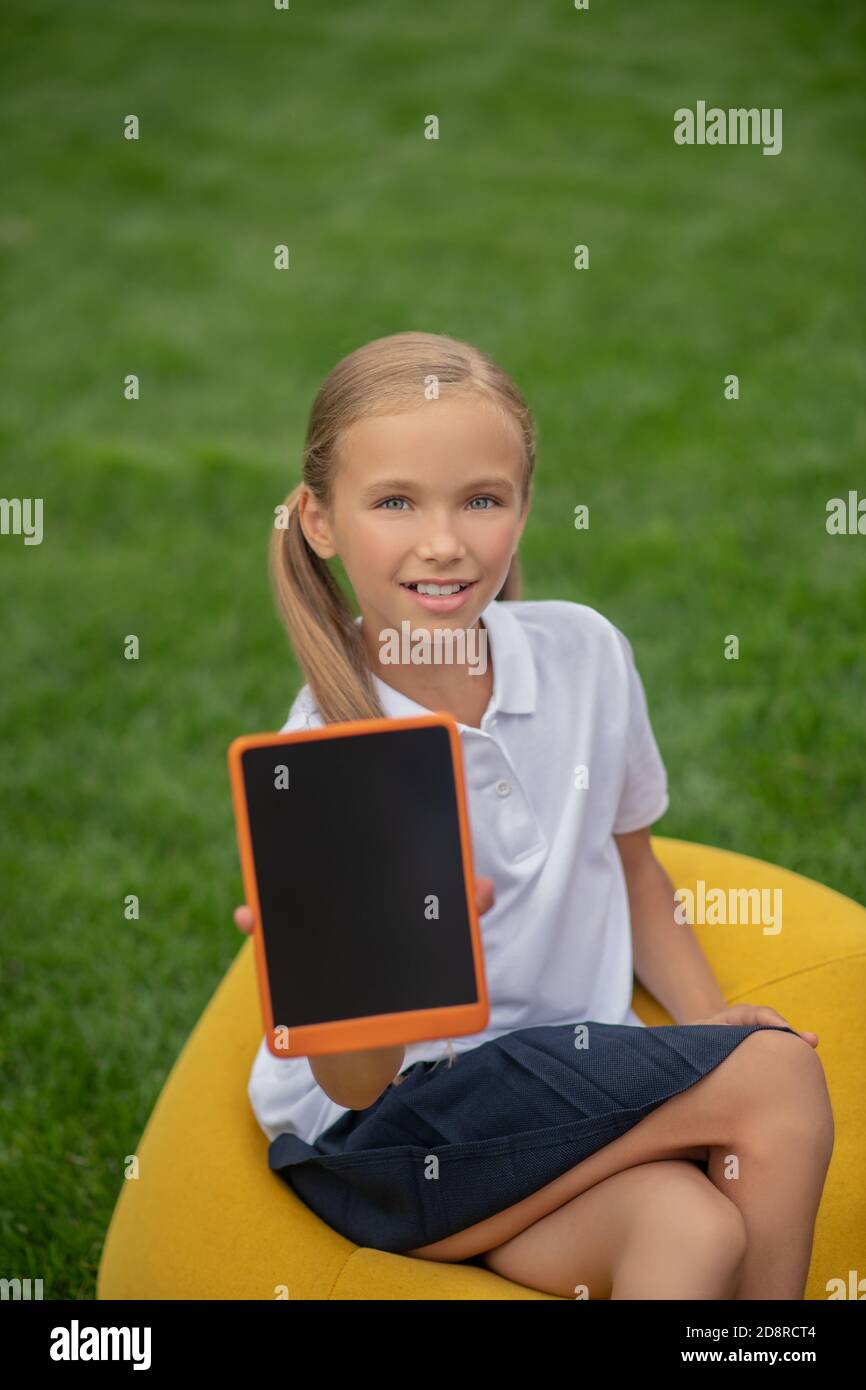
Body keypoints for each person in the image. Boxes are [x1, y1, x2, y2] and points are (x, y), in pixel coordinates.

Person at [233, 330, 833, 1299]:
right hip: (390, 1141)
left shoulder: (584, 655)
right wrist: (344, 982)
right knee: (774, 1077)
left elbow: (630, 866)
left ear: (520, 507)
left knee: (688, 1234)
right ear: (319, 520)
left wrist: (708, 1016)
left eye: (480, 498)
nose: (444, 542)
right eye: (394, 501)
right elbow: (351, 1086)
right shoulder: (329, 760)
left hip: (540, 1119)